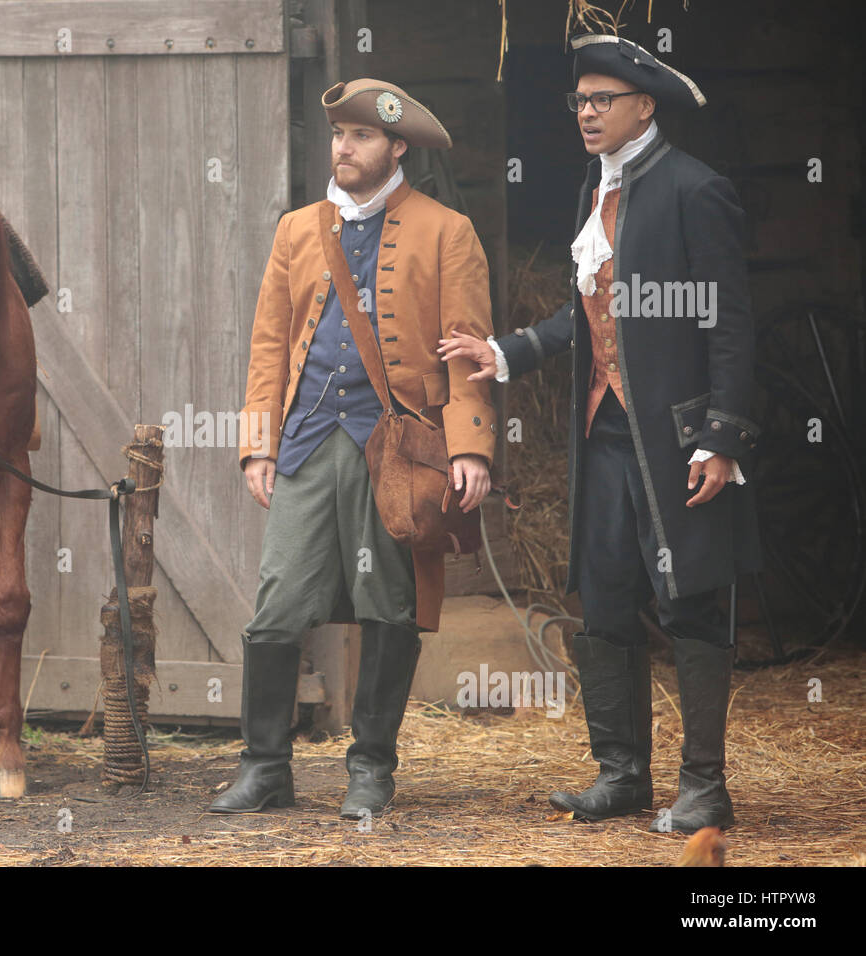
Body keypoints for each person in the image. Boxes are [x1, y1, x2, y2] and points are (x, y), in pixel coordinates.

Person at [438, 35, 759, 833]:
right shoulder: (595, 187)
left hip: (677, 441)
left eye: (601, 100)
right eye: (579, 101)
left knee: (690, 603)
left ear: (643, 107)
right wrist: (505, 352)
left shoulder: (695, 189)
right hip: (605, 438)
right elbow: (583, 314)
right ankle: (621, 776)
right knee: (607, 605)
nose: (585, 113)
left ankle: (704, 787)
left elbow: (731, 324)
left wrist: (721, 436)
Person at [211, 79, 497, 817]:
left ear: (397, 147)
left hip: (393, 451)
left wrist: (471, 448)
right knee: (275, 607)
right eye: (338, 135)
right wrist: (257, 444)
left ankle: (371, 768)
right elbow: (269, 345)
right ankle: (265, 767)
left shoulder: (447, 232)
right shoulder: (298, 229)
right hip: (307, 443)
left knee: (389, 608)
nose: (344, 147)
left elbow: (466, 358)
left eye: (362, 136)